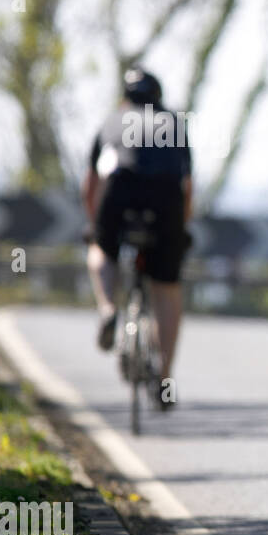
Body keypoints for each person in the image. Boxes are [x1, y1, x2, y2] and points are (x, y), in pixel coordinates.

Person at [82, 67, 192, 408]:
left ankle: (107, 307)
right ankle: (165, 378)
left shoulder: (112, 120)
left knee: (100, 248)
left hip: (120, 190)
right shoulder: (174, 123)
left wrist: (96, 226)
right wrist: (178, 230)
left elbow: (91, 184)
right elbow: (187, 187)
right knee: (166, 289)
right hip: (165, 200)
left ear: (124, 98)